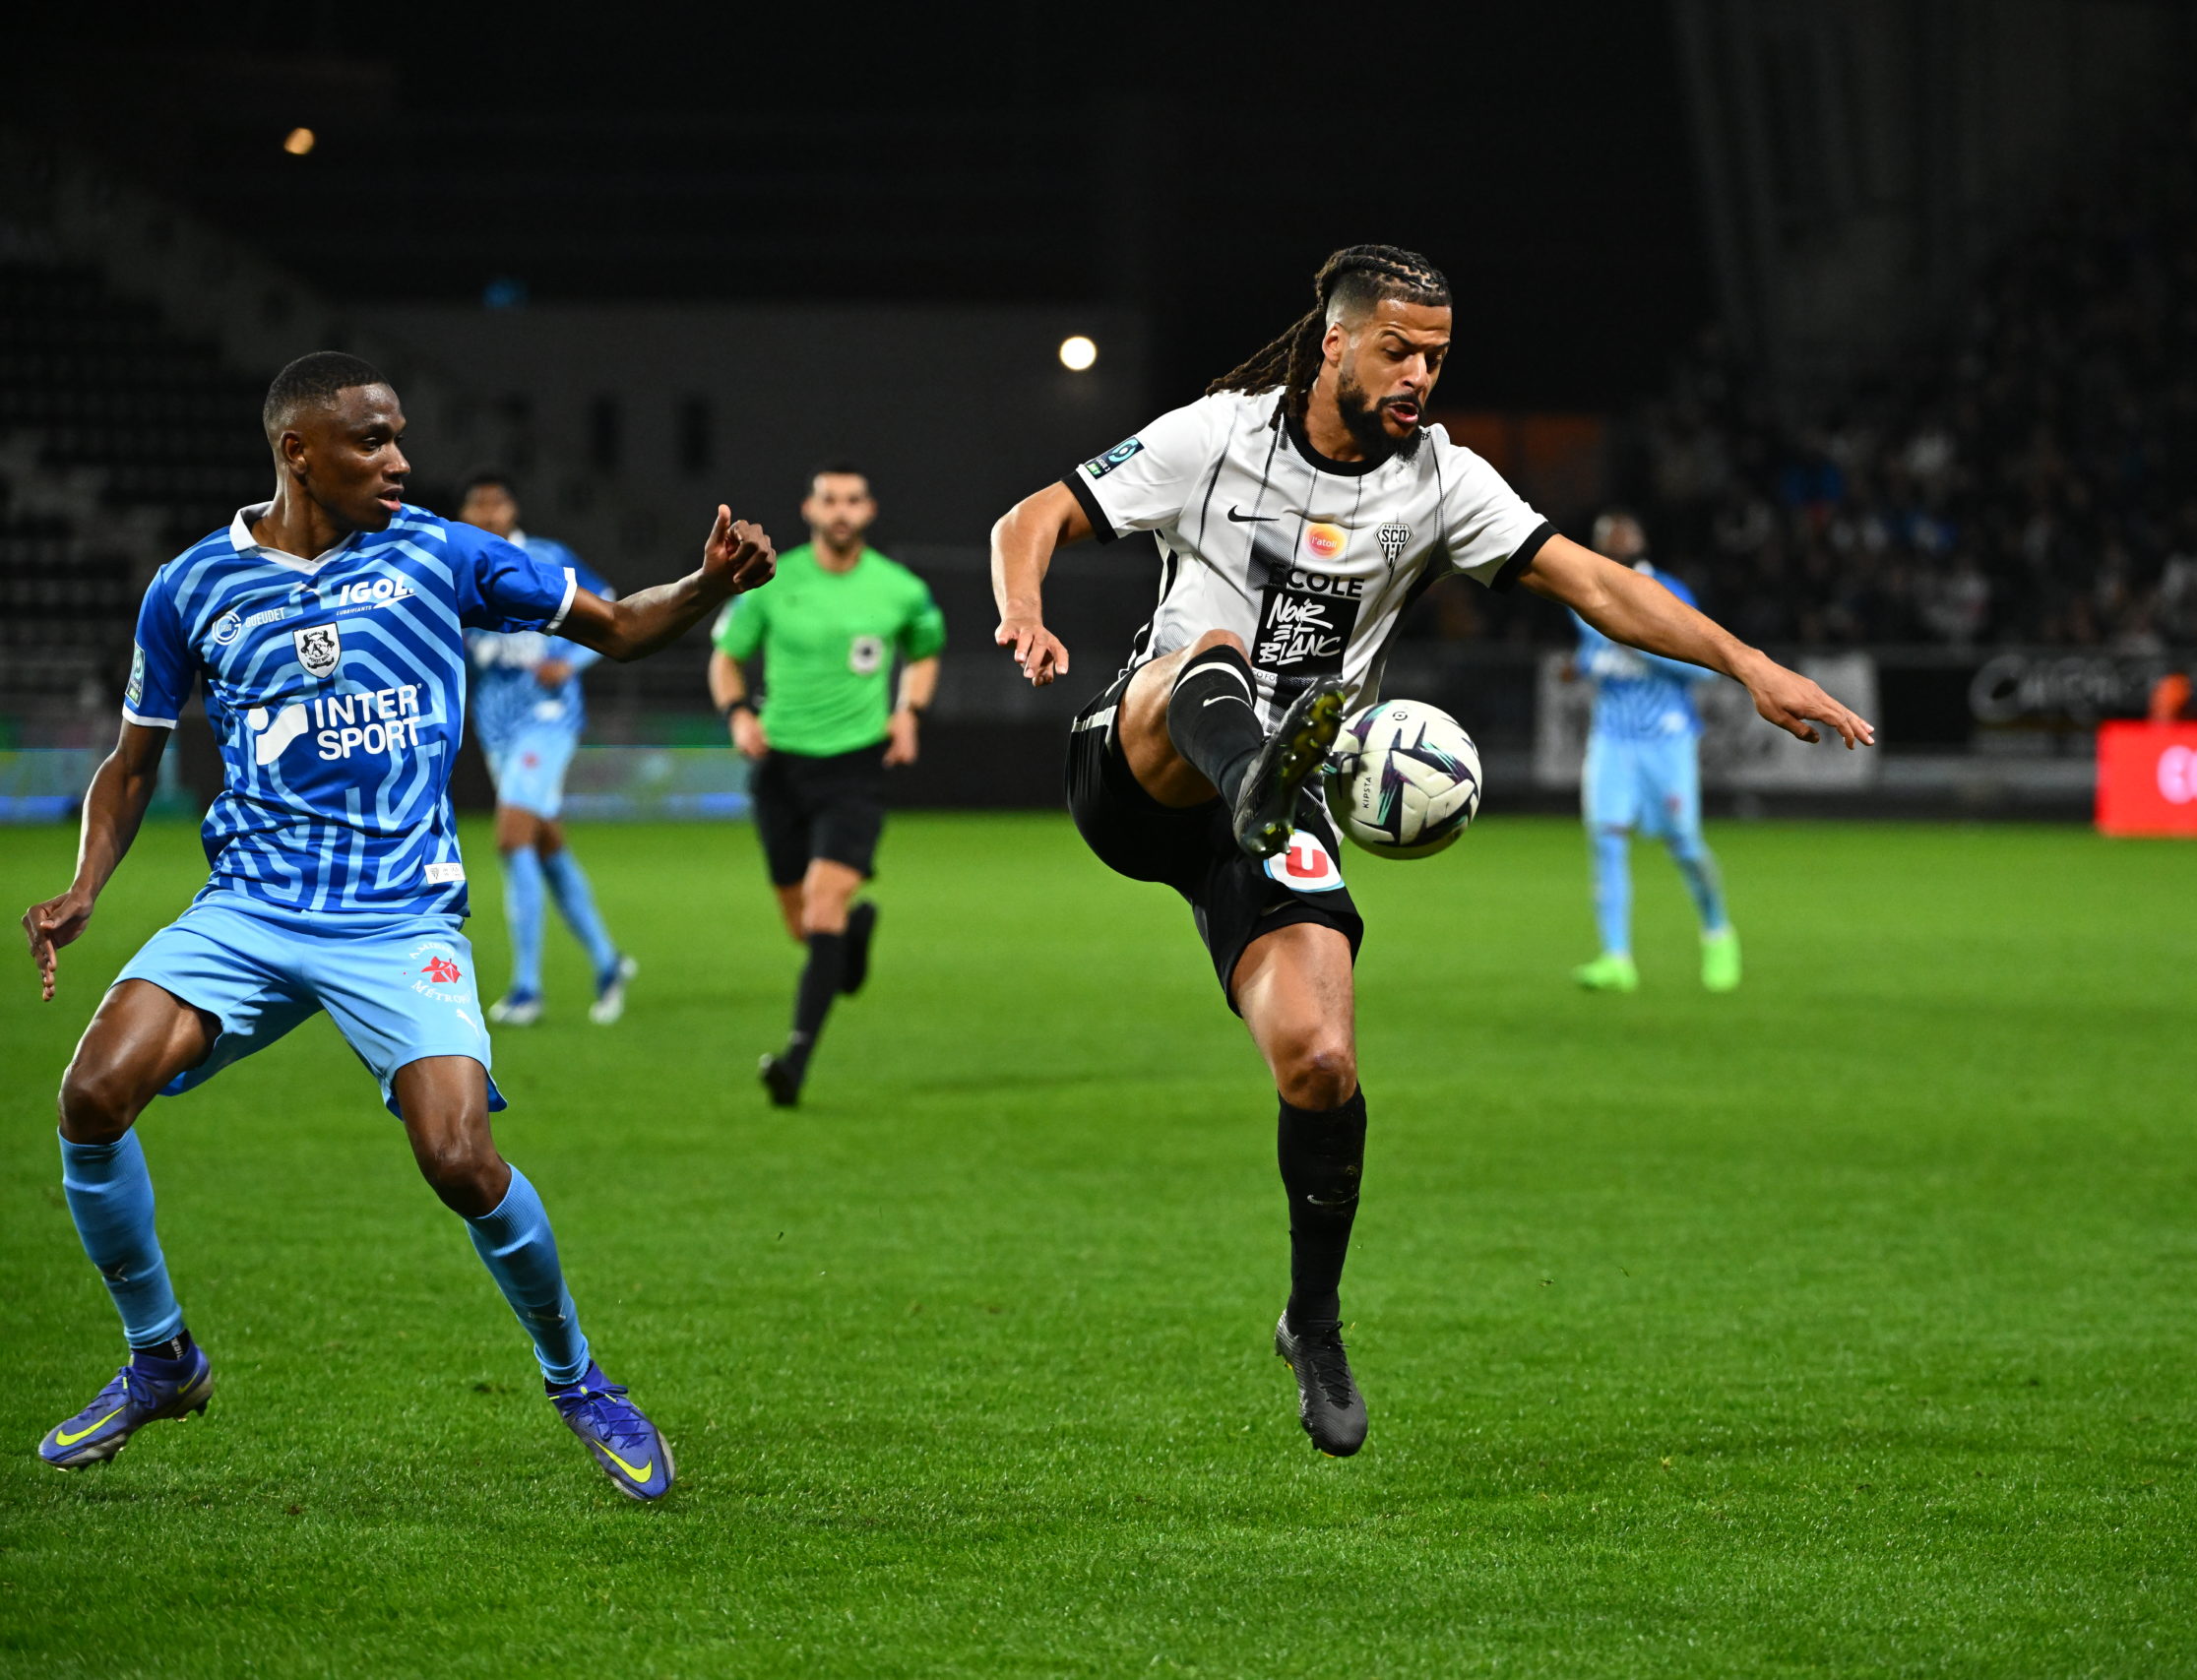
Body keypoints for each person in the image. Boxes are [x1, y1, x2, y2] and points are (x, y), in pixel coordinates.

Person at [987, 245, 1873, 1458]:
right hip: (1146, 772)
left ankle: (1312, 1316)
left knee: (1323, 1066)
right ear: (1335, 344)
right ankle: (1256, 770)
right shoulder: (1216, 438)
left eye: (1438, 359)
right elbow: (1032, 515)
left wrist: (1750, 664)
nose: (1419, 377)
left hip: (1282, 806)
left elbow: (1597, 584)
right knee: (1208, 660)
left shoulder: (1441, 481)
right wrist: (1025, 607)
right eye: (1398, 351)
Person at [20, 351, 777, 1501]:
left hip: (396, 916)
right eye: (371, 441)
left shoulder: (444, 552)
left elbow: (619, 626)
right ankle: (161, 1357)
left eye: (397, 436)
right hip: (251, 909)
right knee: (89, 1098)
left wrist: (711, 583)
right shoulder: (189, 587)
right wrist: (85, 887)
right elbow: (132, 768)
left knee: (461, 1160)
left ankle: (577, 1380)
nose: (398, 460)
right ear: (297, 451)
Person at [708, 462, 944, 1107]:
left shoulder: (899, 589)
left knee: (819, 910)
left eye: (853, 500)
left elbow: (925, 649)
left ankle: (795, 1062)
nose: (841, 510)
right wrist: (737, 714)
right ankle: (852, 942)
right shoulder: (773, 583)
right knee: (807, 928)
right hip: (780, 767)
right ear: (811, 511)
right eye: (829, 499)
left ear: (867, 512)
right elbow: (726, 657)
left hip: (855, 768)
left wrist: (908, 712)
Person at [455, 469, 636, 1027]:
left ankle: (528, 988)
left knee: (512, 840)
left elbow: (611, 609)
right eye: (478, 504)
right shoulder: (454, 566)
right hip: (496, 723)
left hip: (548, 718)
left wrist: (574, 660)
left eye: (497, 501)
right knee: (546, 846)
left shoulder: (545, 554)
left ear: (512, 508)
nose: (488, 513)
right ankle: (608, 963)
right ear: (465, 514)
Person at [1570, 509, 1738, 994]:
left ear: (1639, 541)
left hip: (1665, 735)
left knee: (1684, 842)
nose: (1614, 543)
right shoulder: (1582, 594)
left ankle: (1717, 931)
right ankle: (1616, 957)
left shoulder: (1669, 593)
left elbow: (1702, 669)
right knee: (1607, 838)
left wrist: (1640, 644)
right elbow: (1593, 655)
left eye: (1622, 535)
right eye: (1605, 537)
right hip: (1612, 735)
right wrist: (1583, 666)